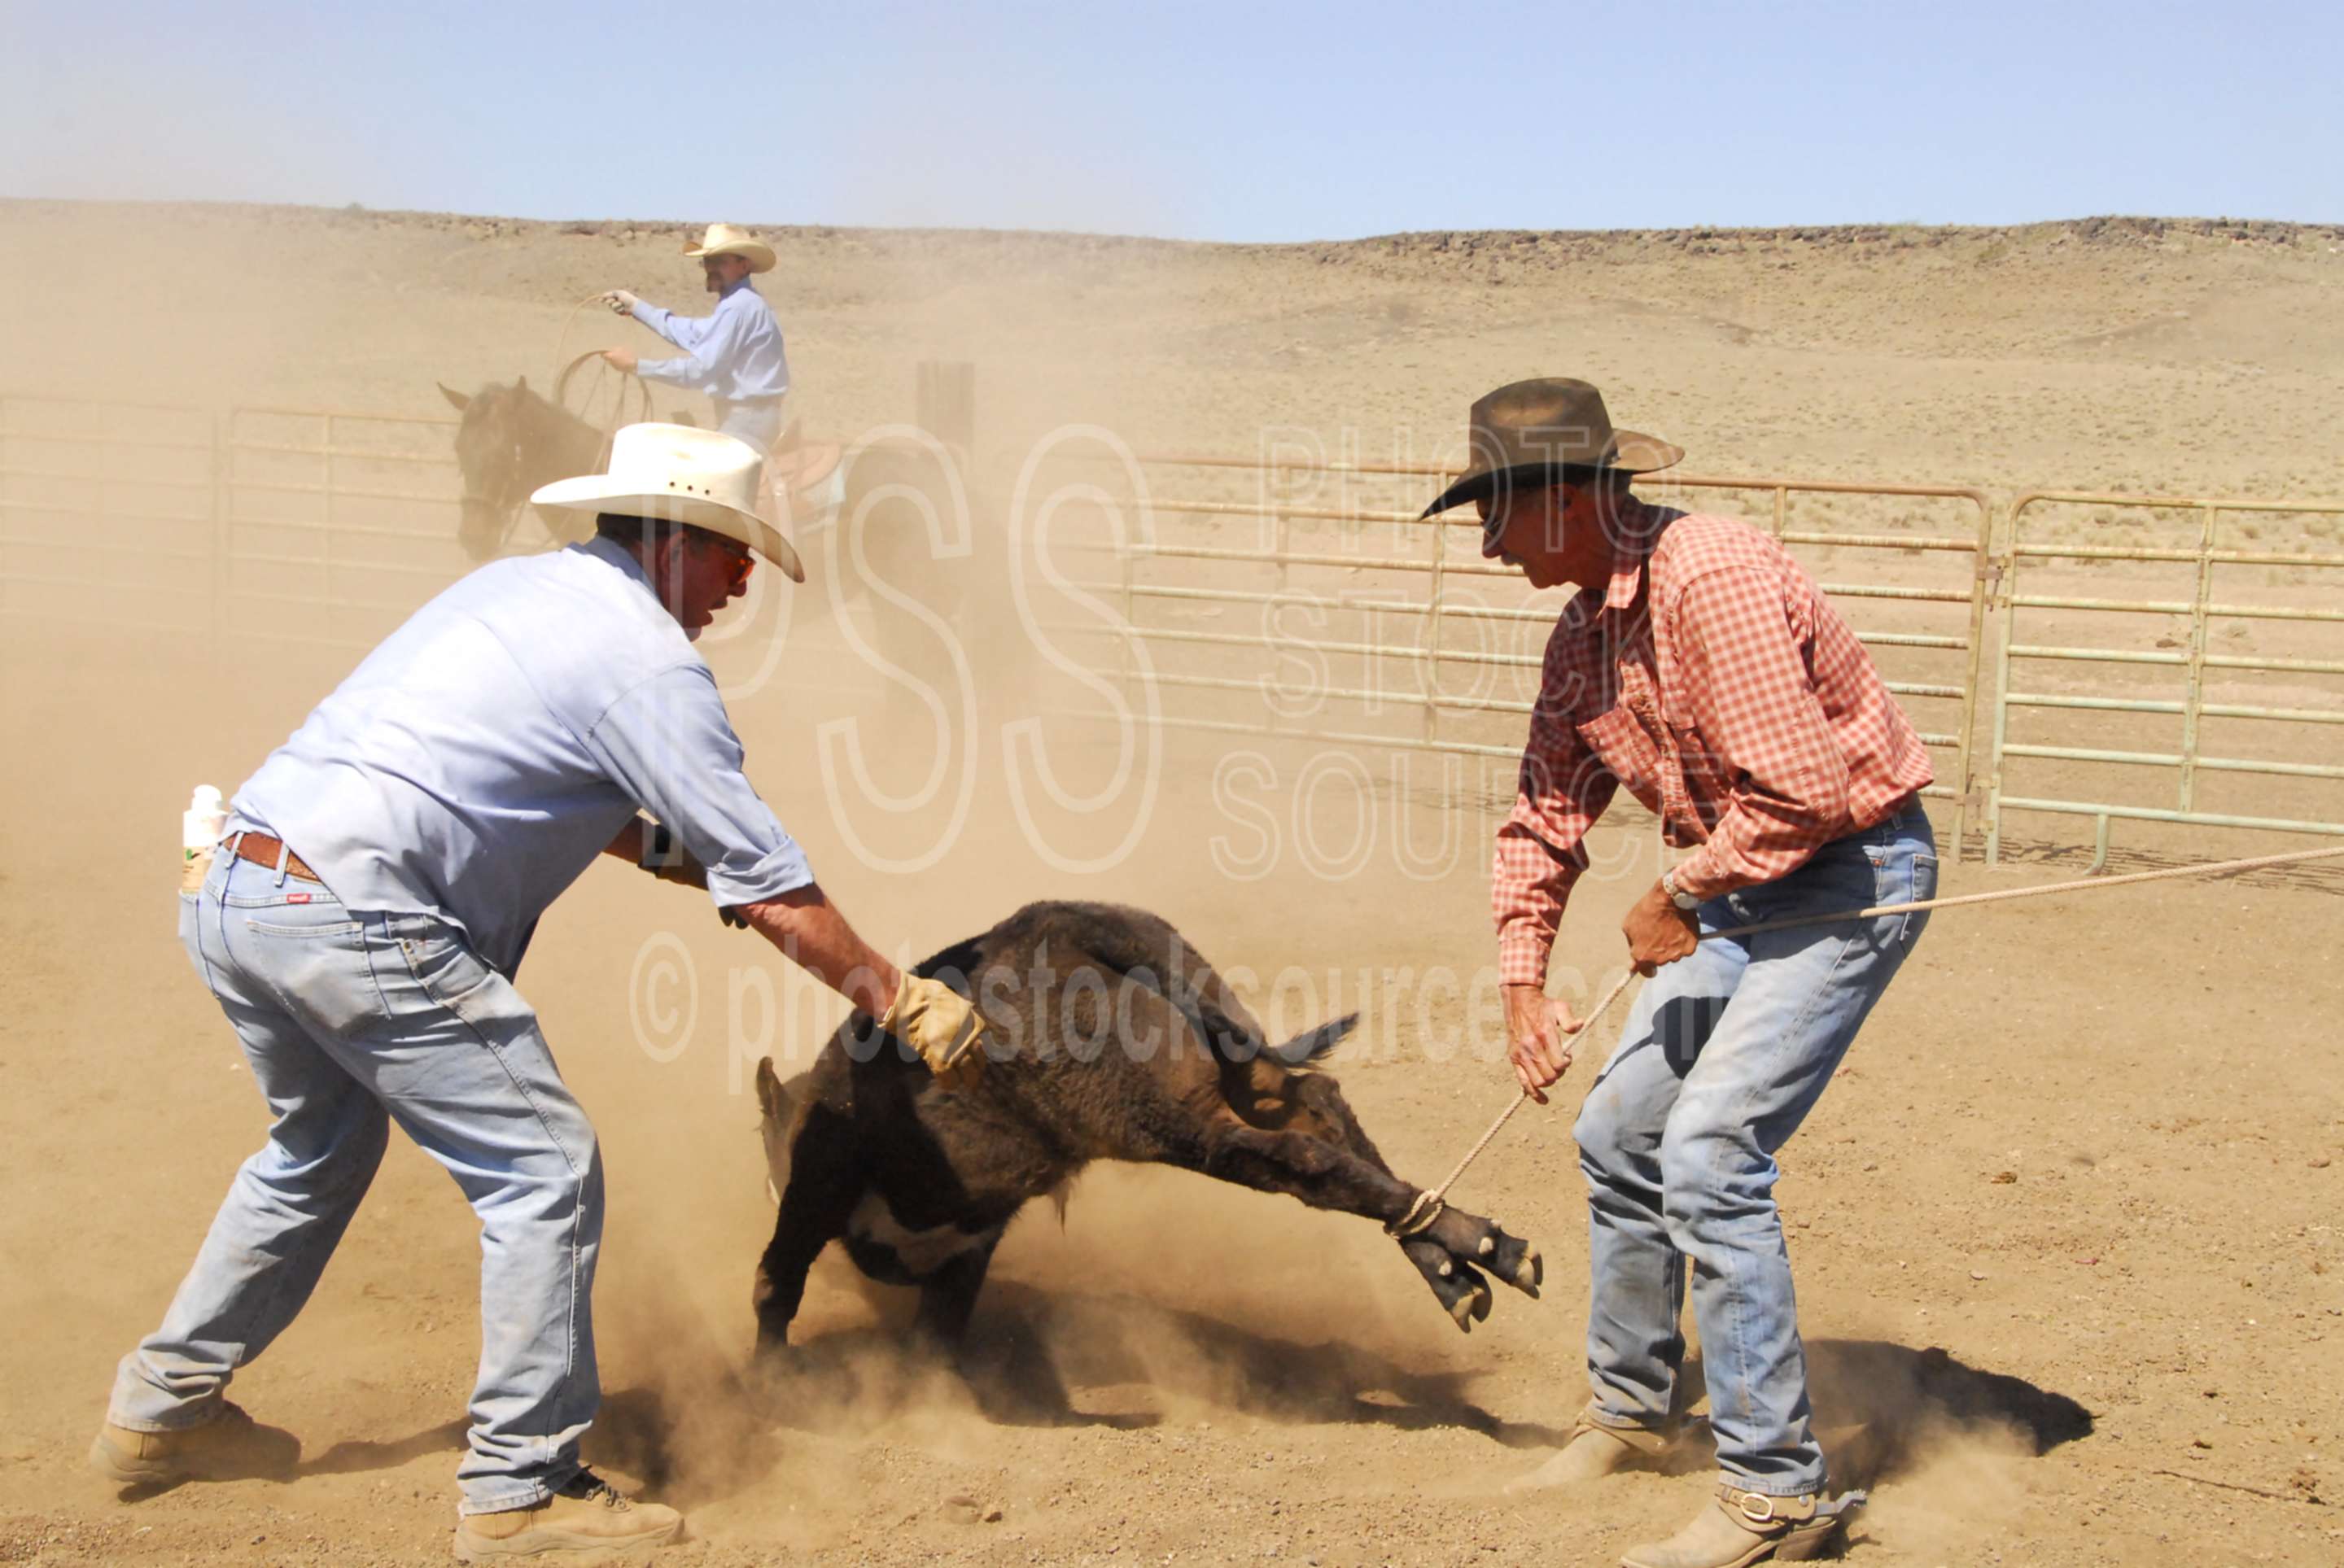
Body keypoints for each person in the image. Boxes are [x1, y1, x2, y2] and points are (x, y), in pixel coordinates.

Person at [91, 424, 984, 1561]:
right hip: (362, 909)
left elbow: (549, 789)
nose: (744, 581)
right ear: (671, 542)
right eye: (730, 554)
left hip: (238, 880)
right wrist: (896, 995)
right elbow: (776, 896)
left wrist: (700, 862)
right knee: (544, 1162)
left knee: (313, 1151)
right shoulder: (650, 664)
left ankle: (159, 1413)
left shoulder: (518, 592)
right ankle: (520, 1486)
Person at [1419, 379, 1938, 1568]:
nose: (1494, 547)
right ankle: (1631, 1411)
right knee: (1618, 1132)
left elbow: (1805, 793)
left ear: (1563, 501)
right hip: (1739, 887)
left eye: (1498, 514)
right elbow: (1546, 811)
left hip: (1849, 876)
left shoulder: (1714, 578)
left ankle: (1778, 1492)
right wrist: (1521, 982)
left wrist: (1681, 892)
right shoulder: (1583, 639)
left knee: (1710, 1149)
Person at [601, 224, 790, 453]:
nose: (711, 268)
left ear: (744, 265)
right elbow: (693, 332)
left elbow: (702, 370)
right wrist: (637, 307)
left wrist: (636, 366)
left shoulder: (737, 308)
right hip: (751, 418)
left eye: (720, 261)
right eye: (707, 262)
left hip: (747, 421)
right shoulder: (743, 303)